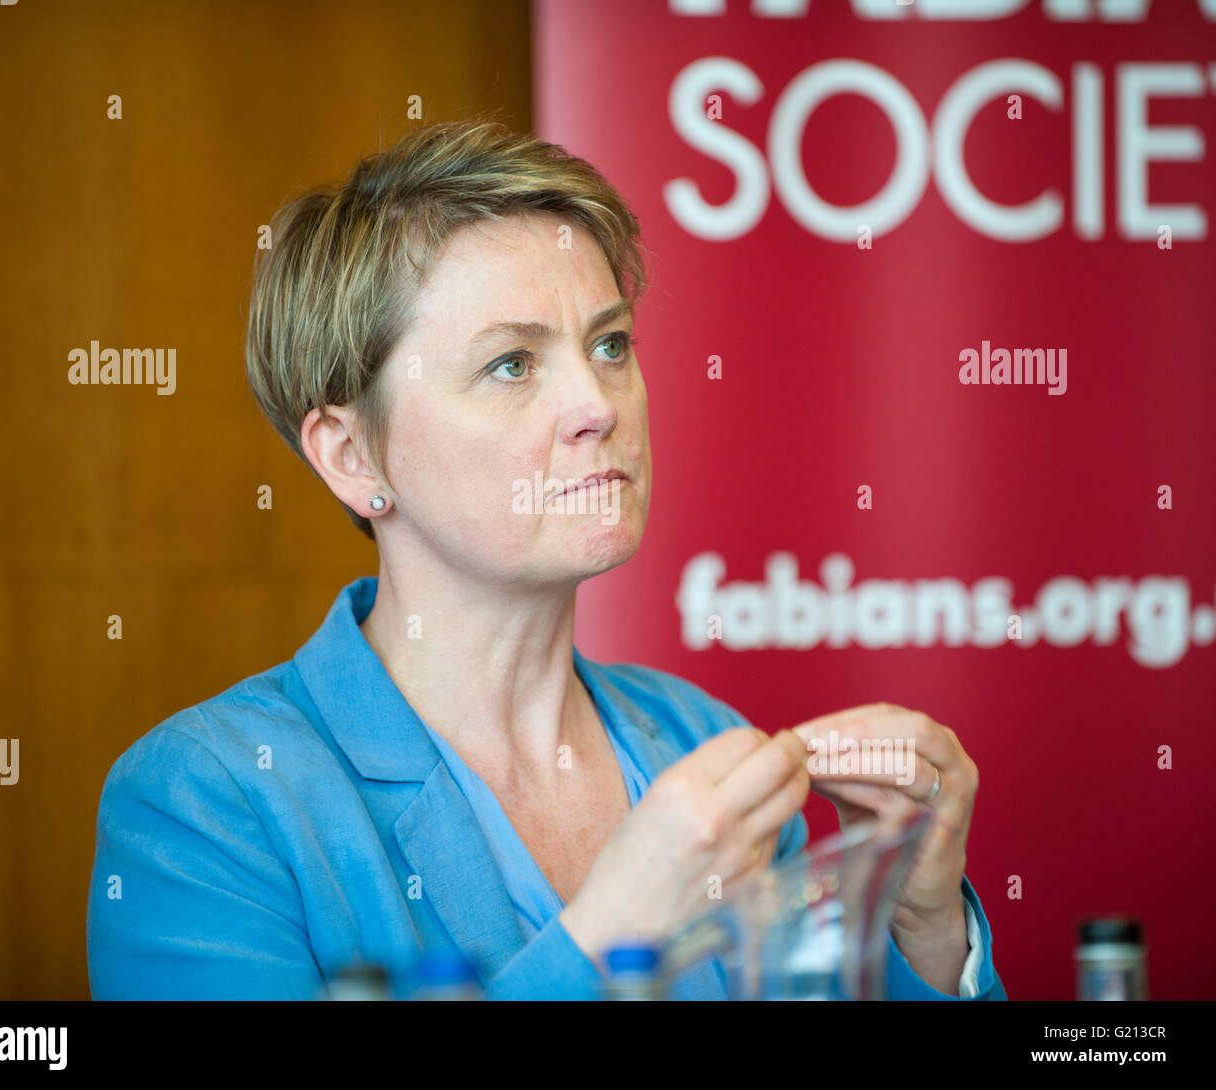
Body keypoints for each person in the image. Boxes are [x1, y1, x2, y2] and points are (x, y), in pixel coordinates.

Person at [86, 118, 1005, 1001]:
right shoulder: (206, 804)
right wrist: (607, 938)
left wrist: (924, 929)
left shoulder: (695, 735)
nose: (598, 405)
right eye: (512, 365)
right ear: (349, 454)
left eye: (610, 345)